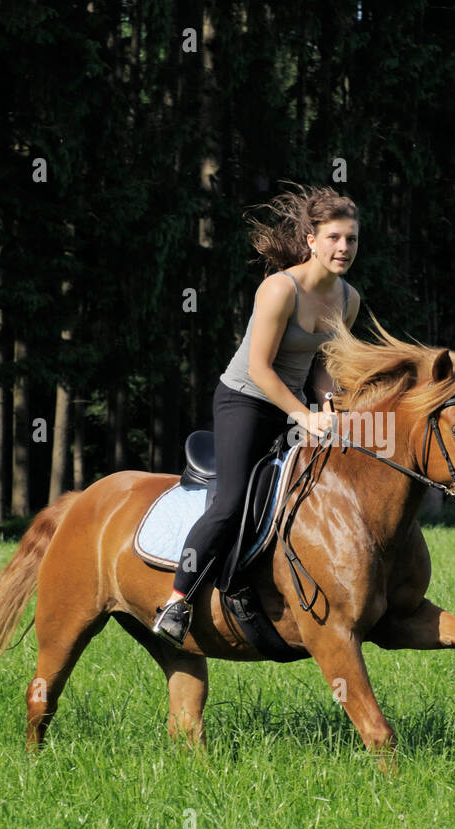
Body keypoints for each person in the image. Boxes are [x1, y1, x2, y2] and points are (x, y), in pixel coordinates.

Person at [152, 185, 361, 647]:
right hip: (245, 400)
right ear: (311, 240)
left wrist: (328, 404)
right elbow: (261, 371)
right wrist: (304, 417)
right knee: (230, 502)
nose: (343, 248)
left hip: (294, 406)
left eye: (351, 239)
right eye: (333, 238)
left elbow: (324, 364)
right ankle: (177, 601)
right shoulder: (278, 289)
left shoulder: (348, 299)